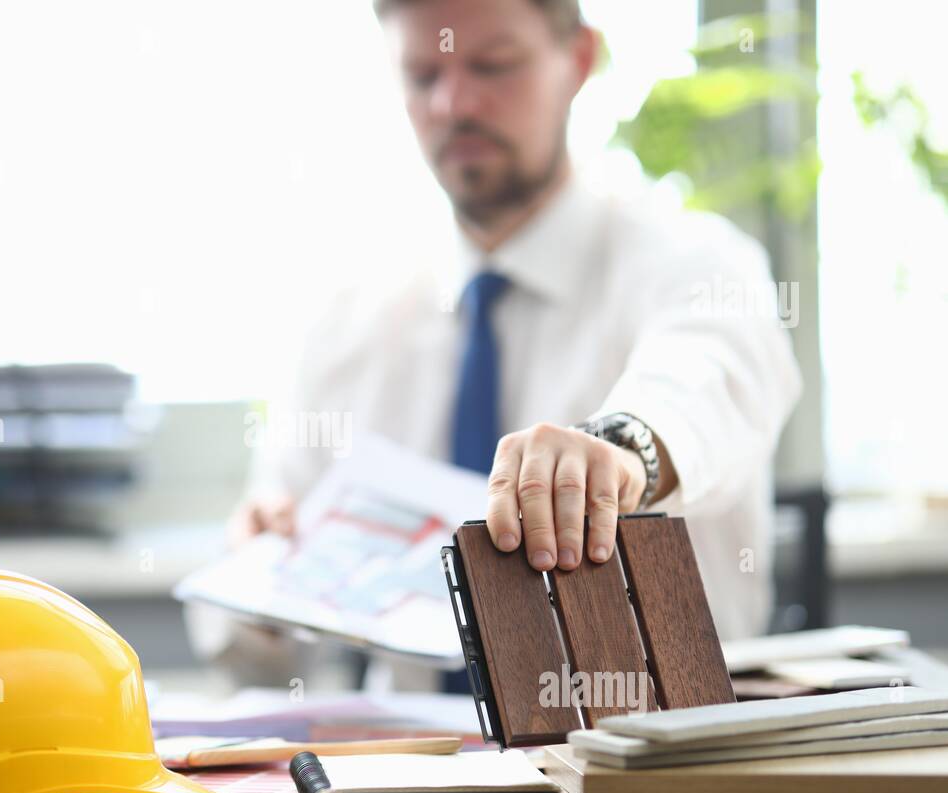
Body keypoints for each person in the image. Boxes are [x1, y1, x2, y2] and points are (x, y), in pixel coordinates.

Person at [190, 0, 802, 690]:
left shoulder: (696, 265)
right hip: (410, 773)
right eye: (424, 75)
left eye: (493, 66)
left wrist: (614, 451)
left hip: (650, 764)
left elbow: (708, 383)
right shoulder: (345, 323)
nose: (455, 102)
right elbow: (247, 657)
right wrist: (264, 583)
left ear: (577, 61)